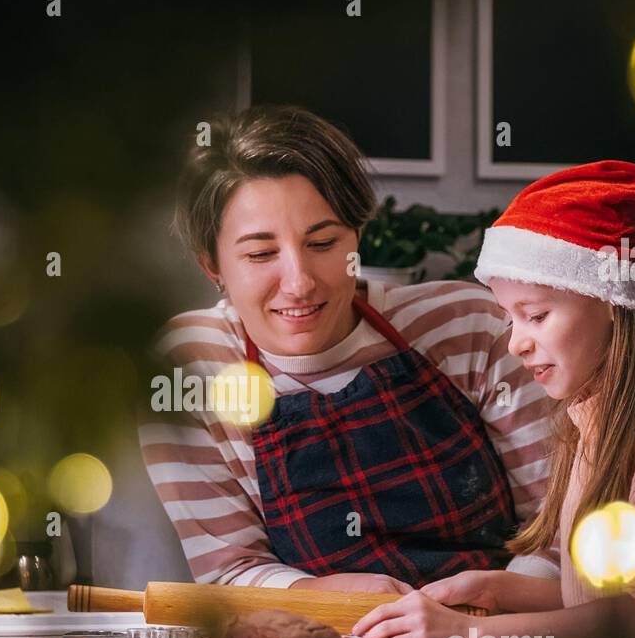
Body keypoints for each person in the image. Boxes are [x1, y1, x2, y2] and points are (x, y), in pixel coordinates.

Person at [353, 160, 635, 638]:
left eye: (537, 315)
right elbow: (594, 600)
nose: (515, 341)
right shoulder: (590, 417)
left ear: (615, 303)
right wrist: (493, 589)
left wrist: (466, 637)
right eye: (509, 317)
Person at [140, 105, 556, 595]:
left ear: (358, 234)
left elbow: (555, 525)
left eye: (323, 243)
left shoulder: (466, 325)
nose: (299, 283)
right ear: (212, 264)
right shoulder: (190, 367)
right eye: (260, 254)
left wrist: (481, 612)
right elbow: (232, 571)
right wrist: (338, 600)